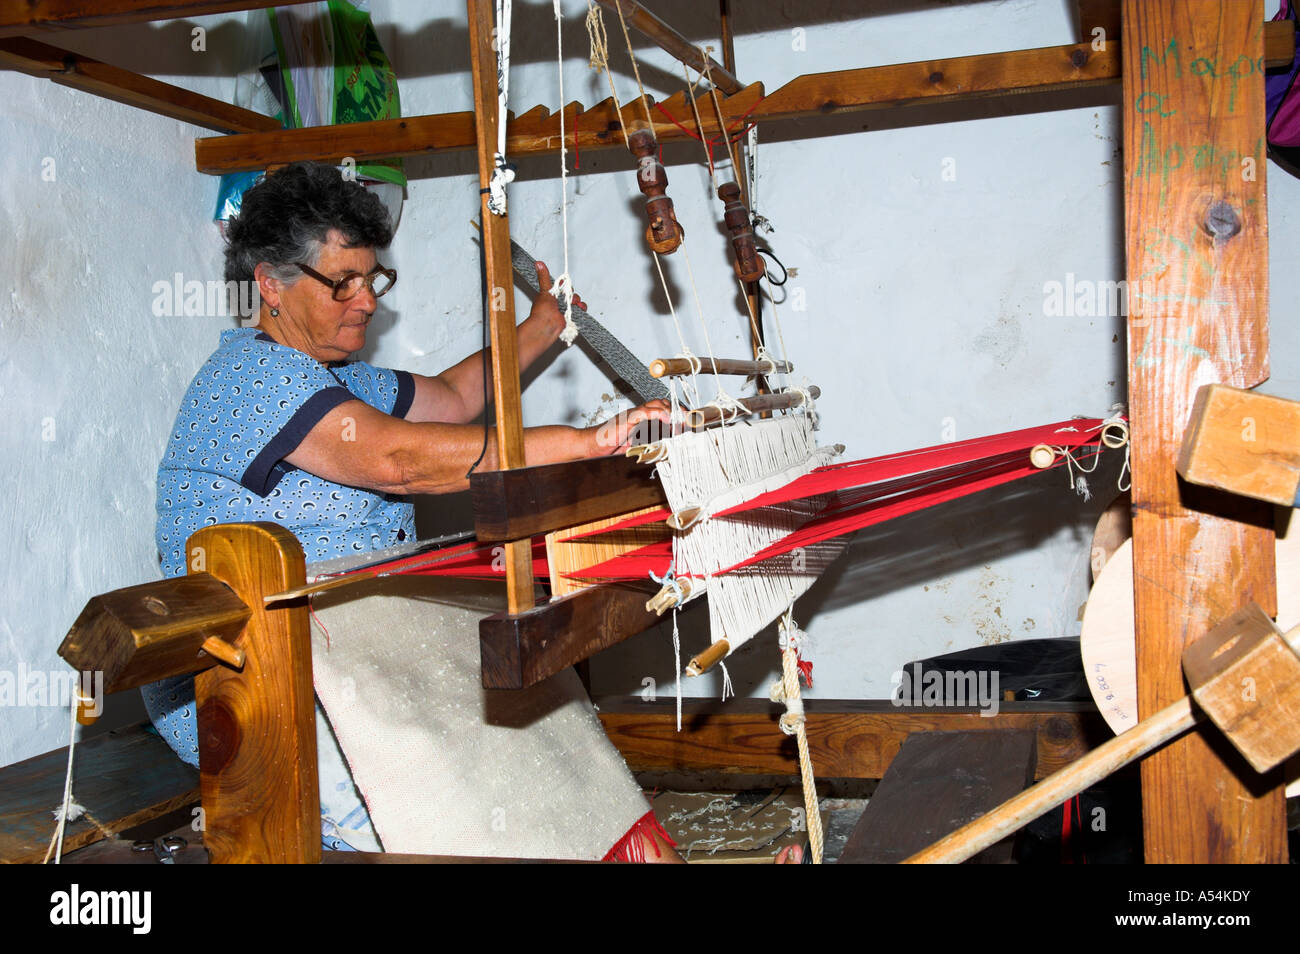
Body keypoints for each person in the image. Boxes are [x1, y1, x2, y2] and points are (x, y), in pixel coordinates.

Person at [143, 160, 677, 861]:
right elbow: (404, 460)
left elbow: (454, 400)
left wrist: (543, 325)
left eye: (373, 278)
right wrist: (592, 441)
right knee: (450, 812)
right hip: (255, 680)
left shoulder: (342, 379)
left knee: (549, 735)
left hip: (358, 645)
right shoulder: (247, 378)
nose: (366, 301)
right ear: (270, 284)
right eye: (343, 282)